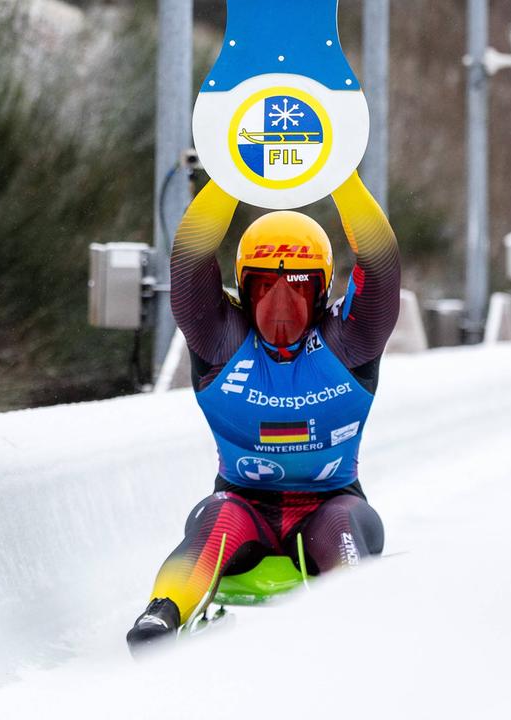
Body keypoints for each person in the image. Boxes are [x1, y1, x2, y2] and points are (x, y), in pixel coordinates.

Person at [126, 171, 401, 651]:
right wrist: (230, 174)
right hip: (242, 506)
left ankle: (364, 624)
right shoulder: (220, 338)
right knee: (216, 518)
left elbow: (380, 263)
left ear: (321, 292)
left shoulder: (349, 340)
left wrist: (342, 178)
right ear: (242, 290)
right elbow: (189, 257)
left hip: (331, 506)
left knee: (343, 524)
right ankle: (161, 614)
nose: (280, 307)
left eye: (297, 288)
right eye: (264, 288)